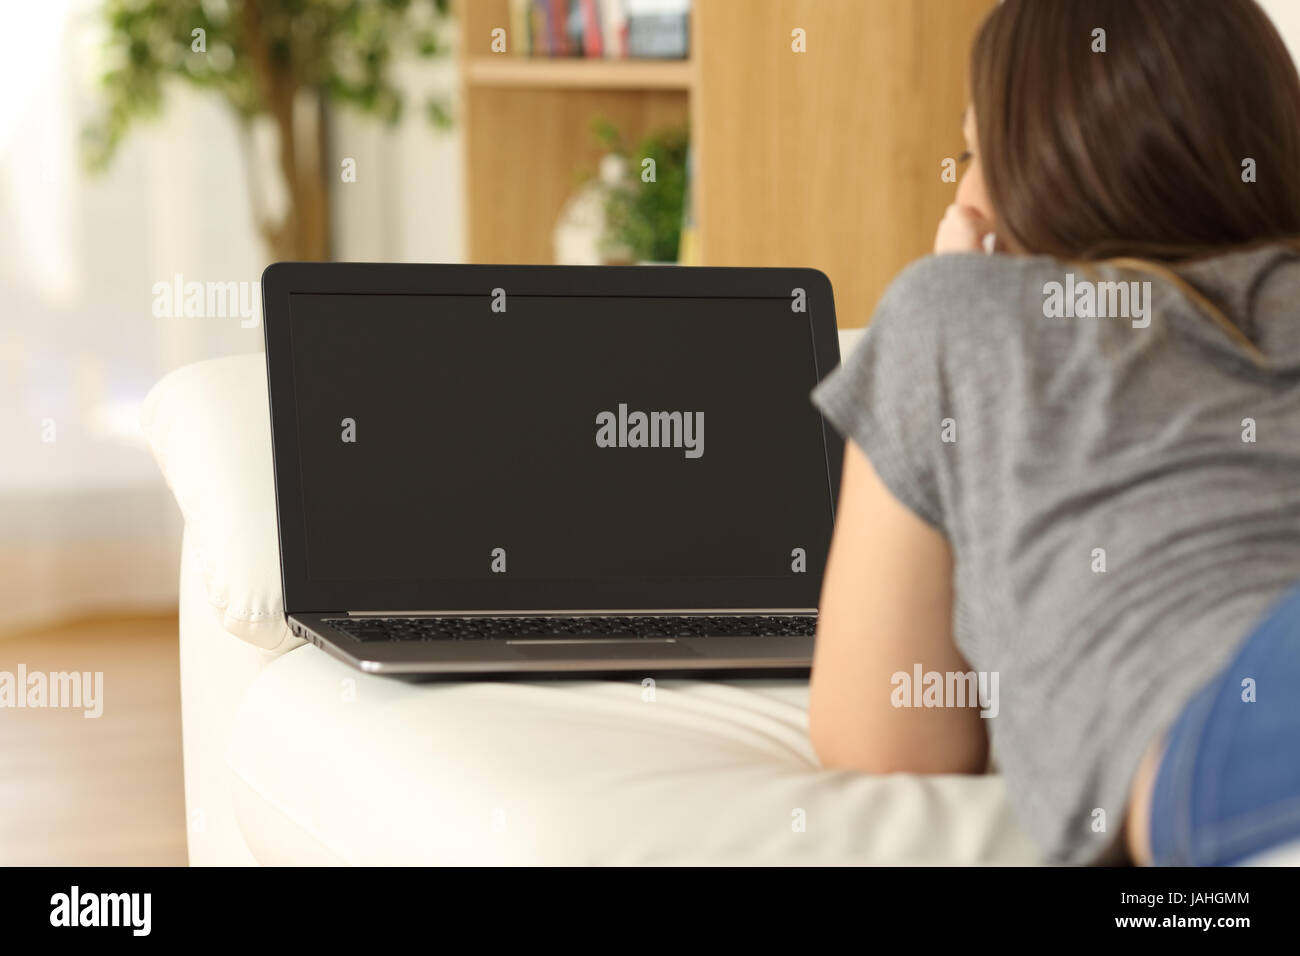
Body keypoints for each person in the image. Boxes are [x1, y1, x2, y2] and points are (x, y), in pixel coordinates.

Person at [808, 0, 1300, 866]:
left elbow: (890, 739)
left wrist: (948, 307)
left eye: (971, 154)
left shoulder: (955, 311)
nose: (959, 186)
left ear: (1034, 174)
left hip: (1235, 726)